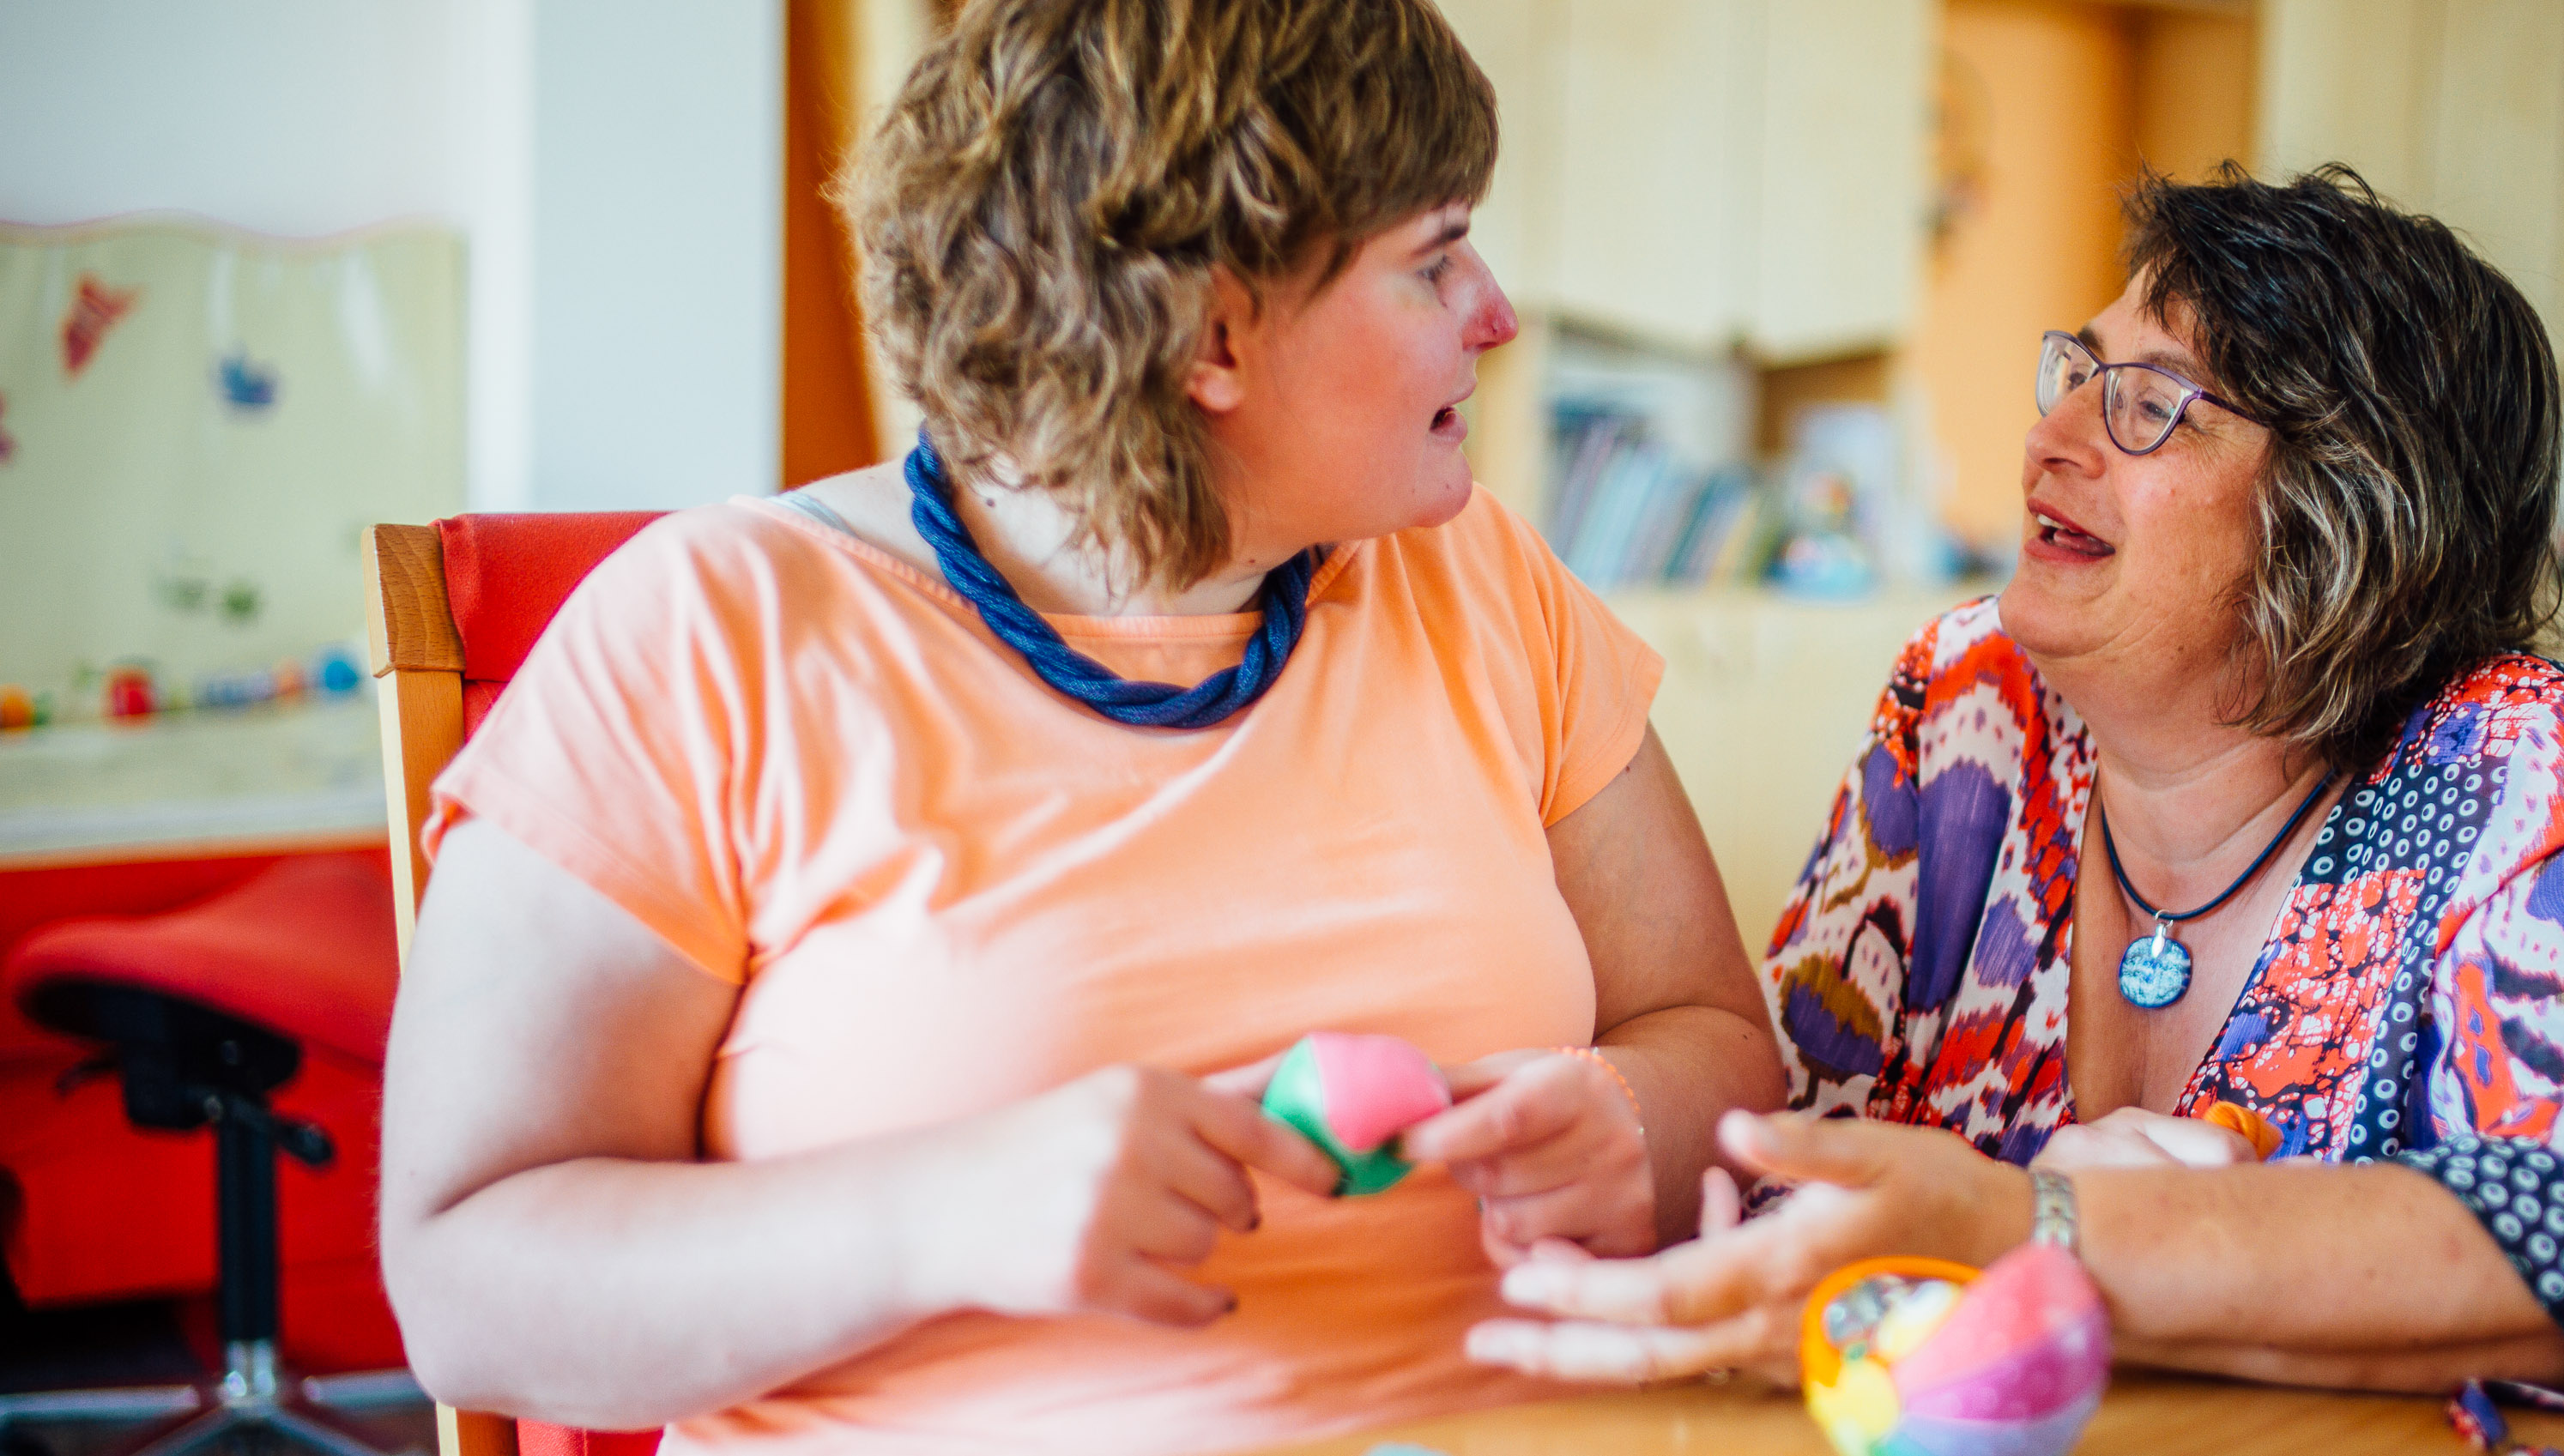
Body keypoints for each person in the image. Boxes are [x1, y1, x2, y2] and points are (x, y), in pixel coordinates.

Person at [375, 2, 1783, 1452]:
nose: (1496, 309)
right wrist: (942, 1213)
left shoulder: (1481, 575)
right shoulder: (713, 633)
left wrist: (1628, 1119)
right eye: (1434, 259)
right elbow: (468, 1289)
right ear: (1214, 331)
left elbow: (1719, 1038)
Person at [1464, 166, 2564, 1419]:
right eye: (2076, 371)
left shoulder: (2518, 766)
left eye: (2149, 401)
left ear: (2344, 512)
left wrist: (2038, 1234)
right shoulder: (1969, 707)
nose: (2047, 440)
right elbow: (1782, 1159)